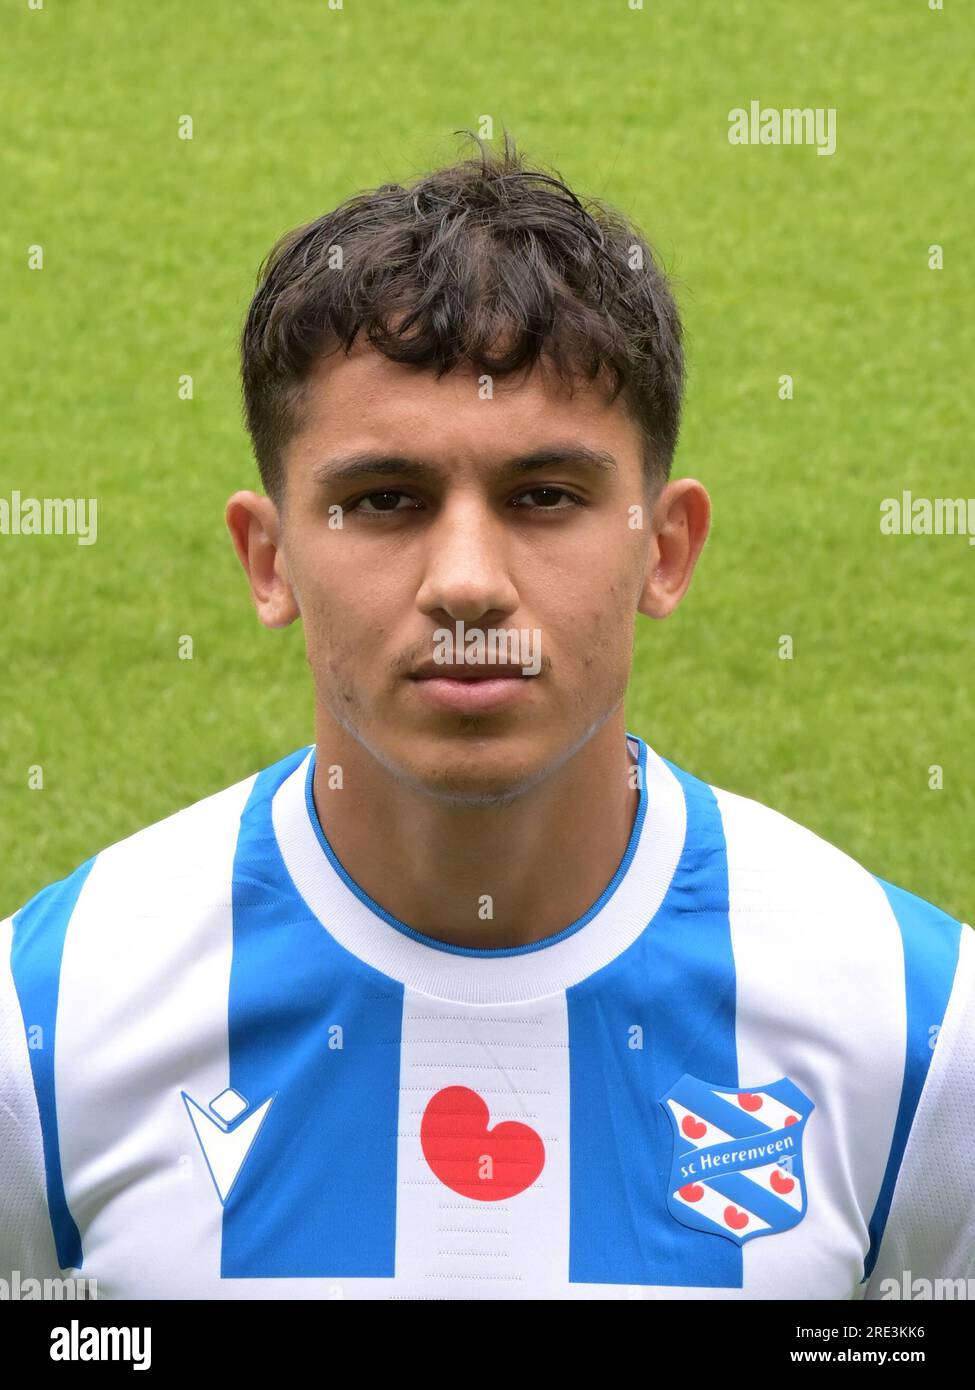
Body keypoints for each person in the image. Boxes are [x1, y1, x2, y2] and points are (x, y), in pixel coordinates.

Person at [2, 133, 971, 1300]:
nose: (467, 580)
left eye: (545, 496)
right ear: (269, 560)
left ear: (664, 550)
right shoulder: (42, 1031)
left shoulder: (920, 1033)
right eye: (386, 500)